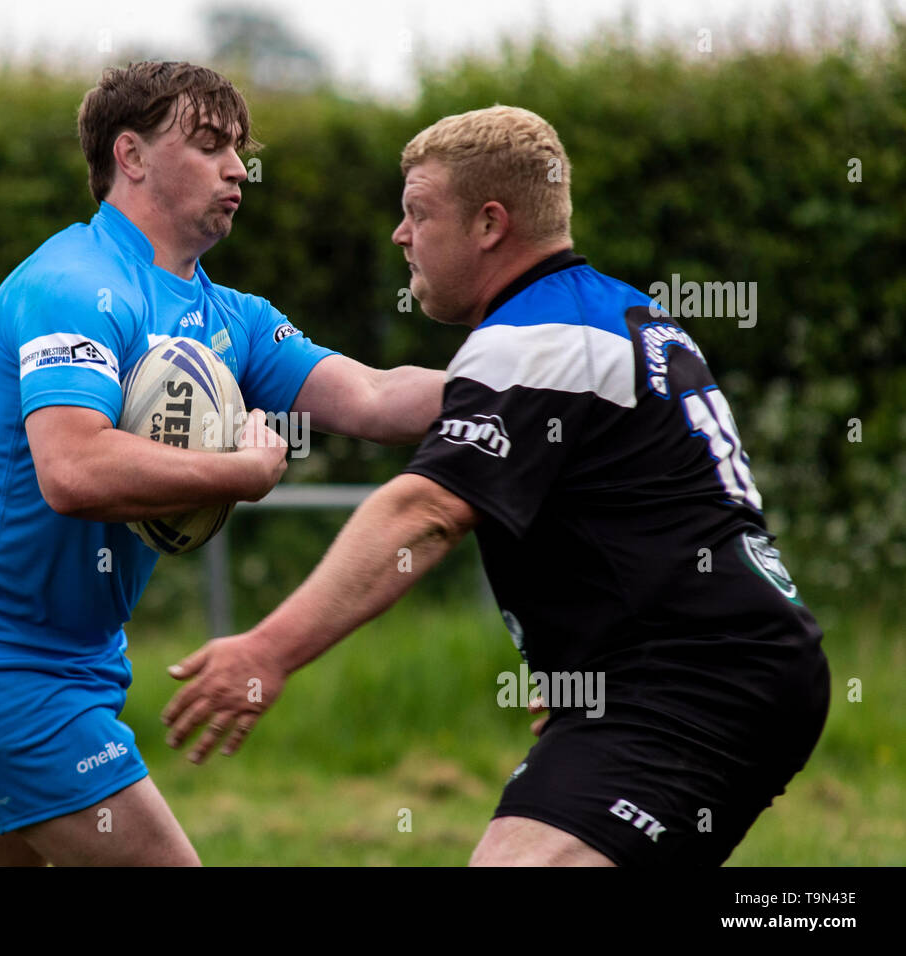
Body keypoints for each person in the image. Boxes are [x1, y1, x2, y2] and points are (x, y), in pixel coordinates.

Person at [163, 105, 831, 867]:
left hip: (695, 684)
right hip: (683, 673)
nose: (400, 235)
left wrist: (268, 650)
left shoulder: (539, 339)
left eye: (418, 212)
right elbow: (651, 508)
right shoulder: (621, 315)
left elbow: (424, 513)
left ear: (489, 224)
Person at [0, 61, 445, 866]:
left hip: (66, 651)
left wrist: (524, 375)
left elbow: (379, 396)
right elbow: (71, 472)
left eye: (241, 149)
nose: (238, 168)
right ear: (132, 156)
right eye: (210, 144)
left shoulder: (229, 316)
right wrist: (240, 476)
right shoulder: (73, 285)